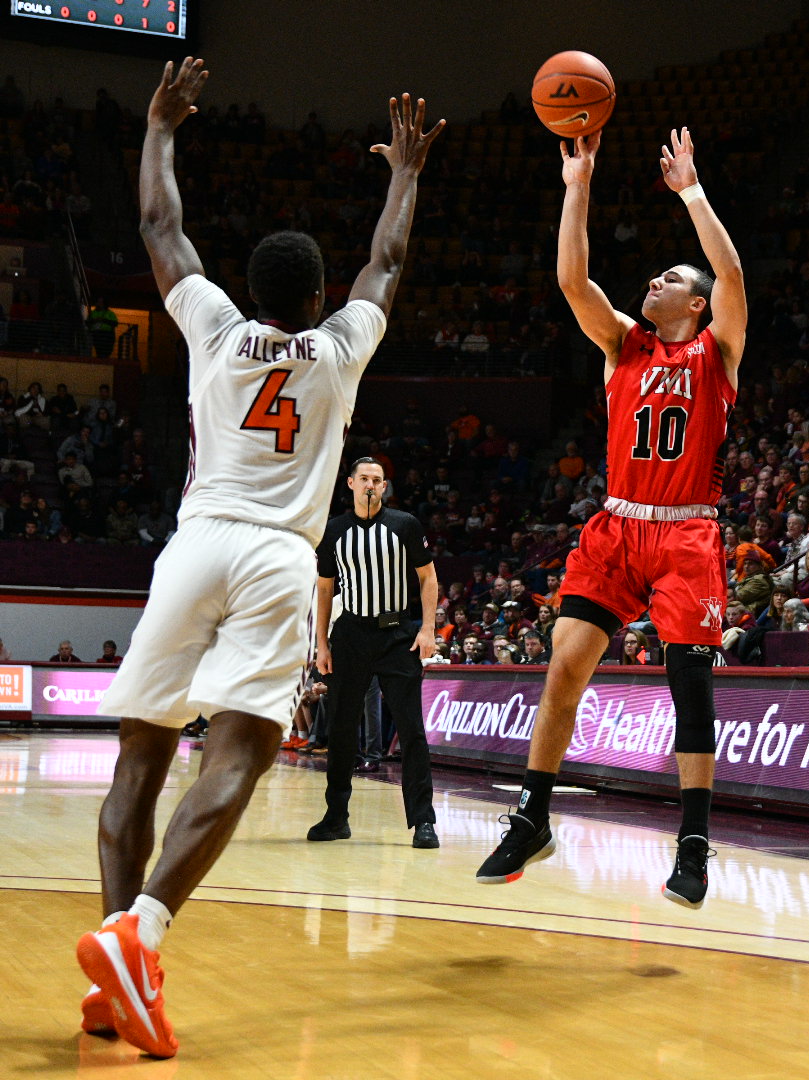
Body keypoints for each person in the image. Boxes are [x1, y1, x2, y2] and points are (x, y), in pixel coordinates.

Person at [74, 60, 444, 1059]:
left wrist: (160, 128)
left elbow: (160, 228)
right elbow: (390, 260)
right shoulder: (339, 350)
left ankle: (120, 981)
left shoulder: (214, 328)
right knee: (238, 756)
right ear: (320, 299)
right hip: (281, 559)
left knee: (140, 762)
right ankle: (139, 938)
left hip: (195, 544)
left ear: (250, 291)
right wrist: (403, 173)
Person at [475, 125, 745, 910]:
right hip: (618, 527)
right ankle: (533, 814)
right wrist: (578, 183)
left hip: (687, 532)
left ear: (693, 304)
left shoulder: (716, 351)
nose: (649, 285)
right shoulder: (622, 347)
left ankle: (692, 840)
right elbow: (572, 280)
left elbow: (727, 270)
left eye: (667, 279)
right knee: (563, 666)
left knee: (689, 685)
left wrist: (691, 192)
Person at [307, 457, 439, 848]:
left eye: (377, 479)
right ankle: (335, 818)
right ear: (350, 483)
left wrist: (428, 628)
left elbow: (428, 577)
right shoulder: (333, 531)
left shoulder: (405, 524)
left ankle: (423, 822)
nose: (370, 484)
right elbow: (325, 587)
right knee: (342, 729)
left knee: (412, 730)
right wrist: (322, 643)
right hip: (350, 635)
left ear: (384, 487)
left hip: (397, 634)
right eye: (363, 478)